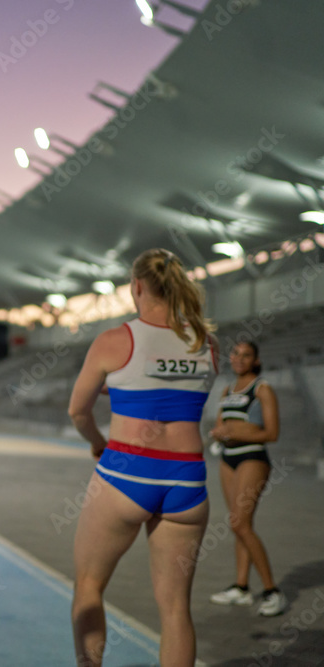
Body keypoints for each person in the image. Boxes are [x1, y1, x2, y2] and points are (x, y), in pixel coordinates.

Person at [67, 248, 217, 667]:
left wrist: (97, 442)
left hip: (127, 471)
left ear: (136, 286)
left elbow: (77, 412)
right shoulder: (207, 343)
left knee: (89, 586)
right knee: (175, 610)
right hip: (187, 480)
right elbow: (172, 390)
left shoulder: (115, 340)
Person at [208, 341, 286, 616]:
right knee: (240, 524)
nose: (239, 359)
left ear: (256, 360)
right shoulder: (227, 390)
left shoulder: (262, 389)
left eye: (246, 355)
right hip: (228, 459)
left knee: (239, 523)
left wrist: (235, 431)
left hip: (252, 458)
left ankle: (272, 591)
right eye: (236, 353)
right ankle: (241, 588)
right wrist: (221, 433)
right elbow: (221, 426)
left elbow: (271, 433)